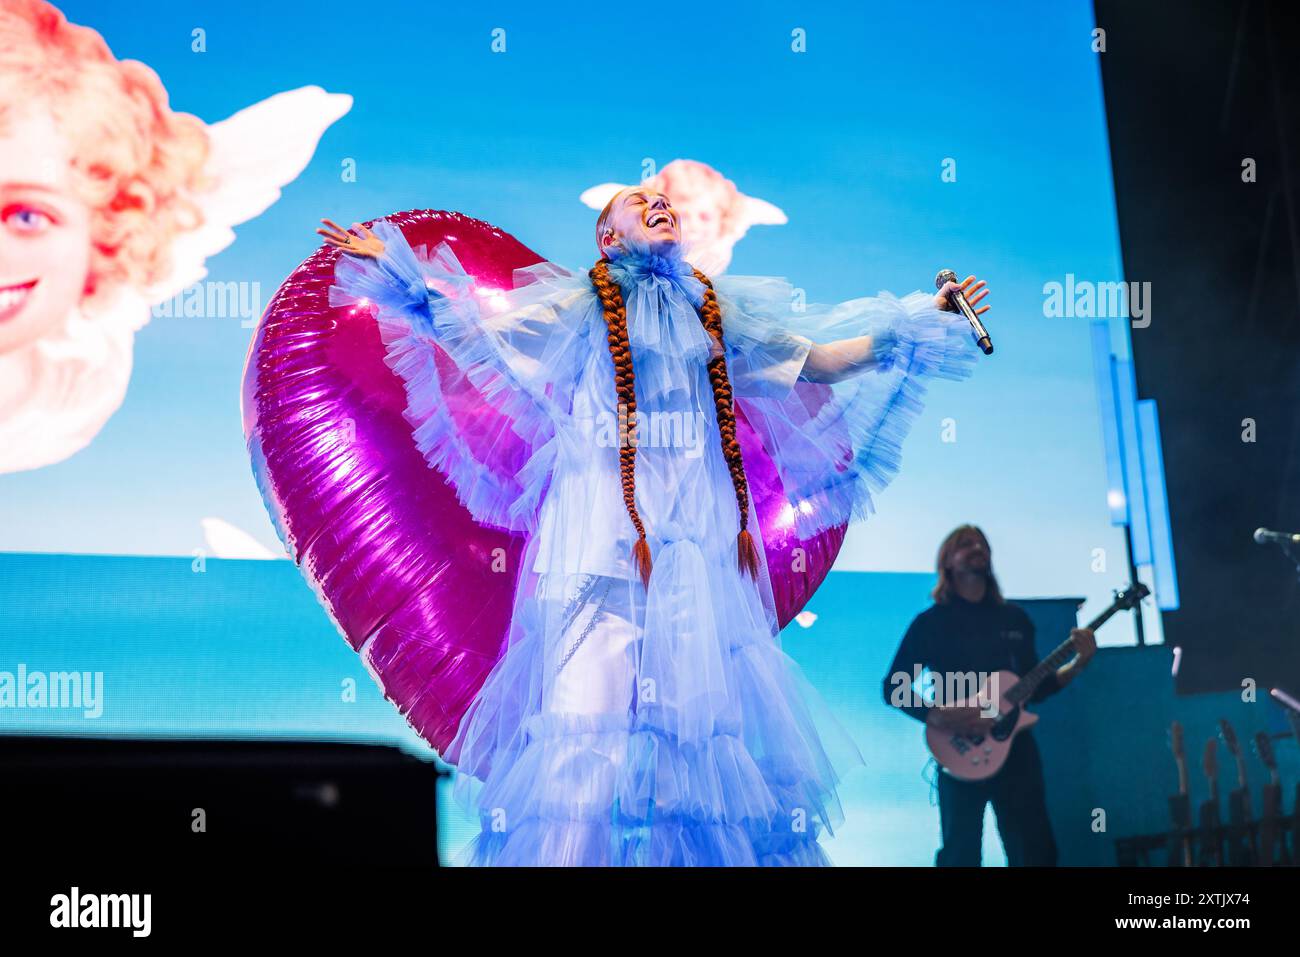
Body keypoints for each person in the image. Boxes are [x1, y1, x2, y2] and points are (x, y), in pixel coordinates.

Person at [321, 187, 988, 865]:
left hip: (694, 565)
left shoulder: (716, 314)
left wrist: (918, 323)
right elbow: (482, 331)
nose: (659, 202)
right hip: (600, 555)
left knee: (695, 748)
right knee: (584, 741)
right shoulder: (581, 306)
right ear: (608, 239)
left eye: (665, 200)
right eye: (639, 202)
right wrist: (402, 273)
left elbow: (816, 359)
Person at [883, 524, 1096, 866]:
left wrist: (1079, 663)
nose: (977, 547)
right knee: (961, 854)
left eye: (981, 543)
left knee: (1036, 851)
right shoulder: (931, 623)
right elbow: (893, 686)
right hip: (959, 749)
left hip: (1017, 751)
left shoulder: (1014, 618)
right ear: (947, 562)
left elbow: (1035, 688)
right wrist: (936, 715)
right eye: (965, 544)